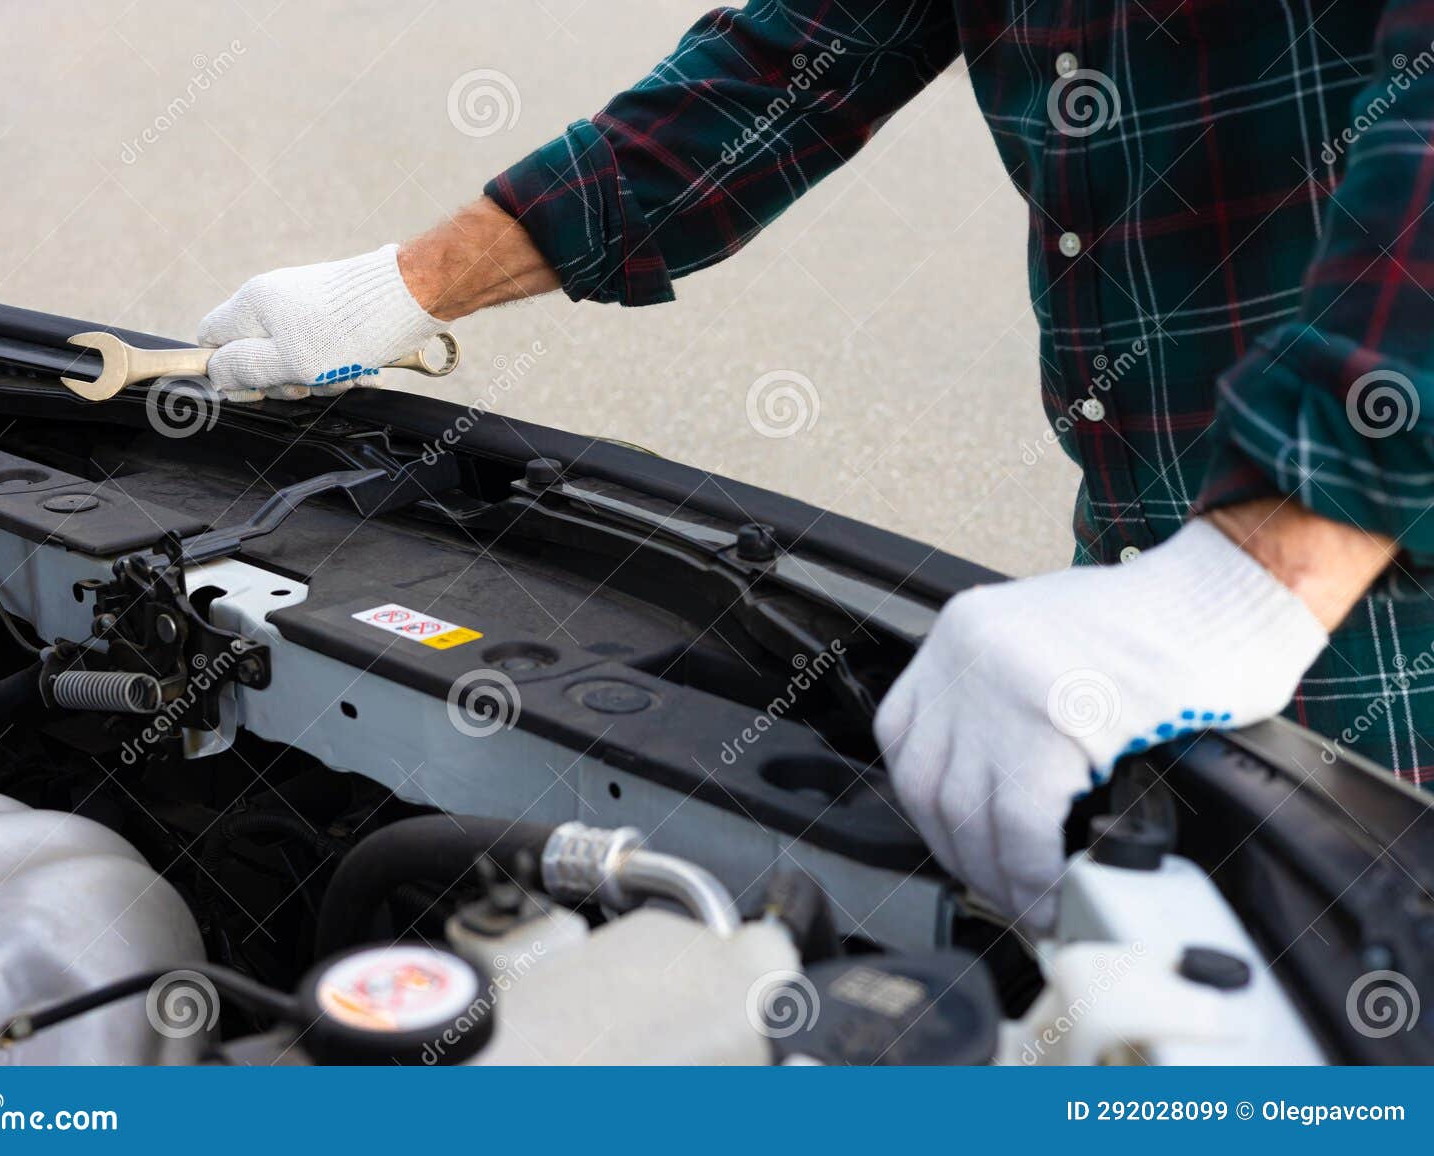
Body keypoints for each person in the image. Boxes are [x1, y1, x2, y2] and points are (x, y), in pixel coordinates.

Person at [195, 3, 1430, 931]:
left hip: (1377, 599)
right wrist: (401, 289)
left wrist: (1261, 567)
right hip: (1151, 546)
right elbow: (782, 68)